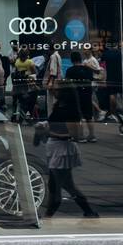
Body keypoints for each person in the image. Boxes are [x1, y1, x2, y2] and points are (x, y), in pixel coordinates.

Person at [42, 70, 99, 218]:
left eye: (56, 89)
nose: (53, 90)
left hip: (61, 150)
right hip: (57, 149)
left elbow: (75, 135)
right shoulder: (61, 106)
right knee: (63, 183)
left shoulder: (67, 109)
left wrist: (49, 132)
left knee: (58, 184)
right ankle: (86, 210)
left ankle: (51, 211)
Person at [64, 50, 97, 142]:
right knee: (89, 116)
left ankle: (81, 136)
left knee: (78, 116)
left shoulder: (70, 70)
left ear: (72, 60)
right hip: (87, 94)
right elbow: (91, 80)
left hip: (76, 95)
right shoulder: (88, 69)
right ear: (80, 58)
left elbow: (67, 83)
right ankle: (92, 135)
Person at [11, 49, 37, 122]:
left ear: (26, 55)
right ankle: (14, 116)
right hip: (17, 84)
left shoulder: (30, 62)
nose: (23, 56)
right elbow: (15, 72)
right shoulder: (17, 61)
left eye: (24, 55)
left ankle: (22, 118)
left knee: (24, 102)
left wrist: (32, 83)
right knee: (15, 101)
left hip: (26, 84)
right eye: (22, 55)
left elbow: (34, 73)